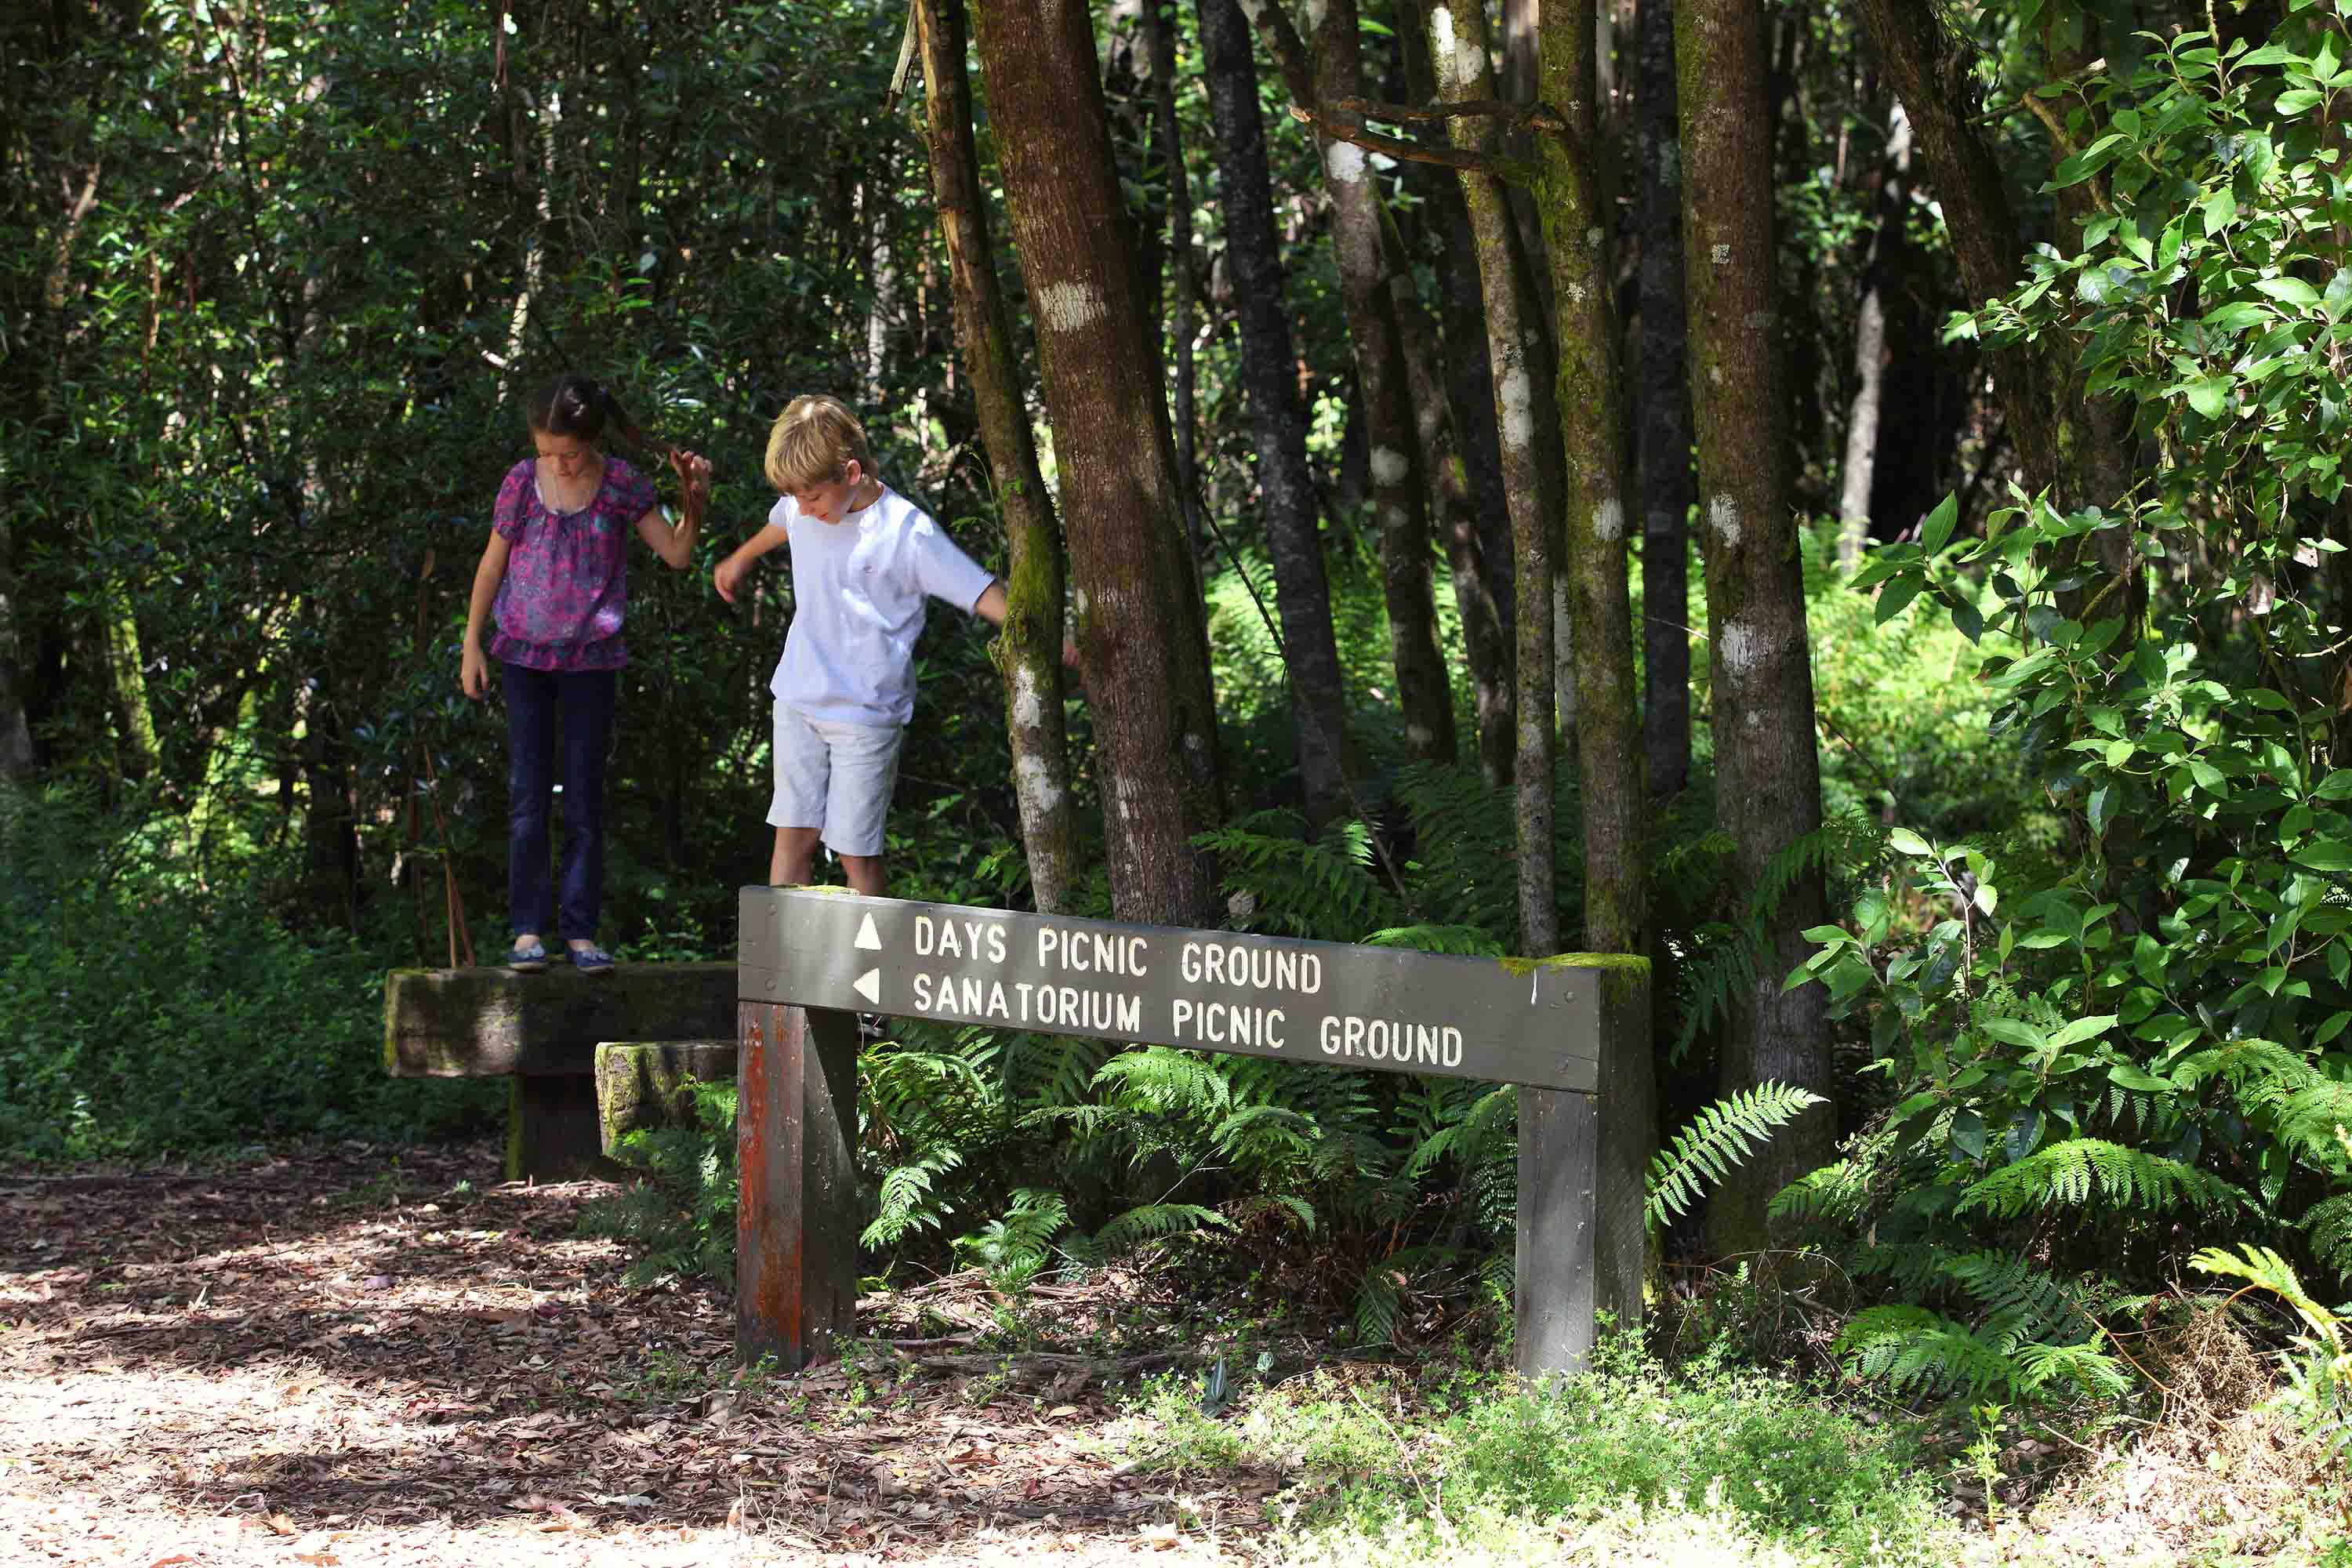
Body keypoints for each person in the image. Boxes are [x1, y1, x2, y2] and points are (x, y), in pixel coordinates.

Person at [713, 393, 1065, 896]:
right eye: (796, 499)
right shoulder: (801, 507)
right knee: (793, 837)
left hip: (866, 712)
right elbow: (780, 521)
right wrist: (740, 559)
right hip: (798, 700)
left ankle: (872, 964)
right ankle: (786, 964)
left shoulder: (906, 534)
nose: (804, 511)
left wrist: (1056, 641)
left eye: (811, 498)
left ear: (852, 472)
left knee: (857, 851)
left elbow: (978, 589)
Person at [460, 375, 710, 975]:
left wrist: (694, 502)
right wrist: (472, 643)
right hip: (522, 658)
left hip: (591, 665)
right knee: (526, 798)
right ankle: (526, 933)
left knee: (582, 800)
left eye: (570, 452)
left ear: (594, 442)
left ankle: (579, 931)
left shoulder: (621, 484)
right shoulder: (522, 482)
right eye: (549, 452)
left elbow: (676, 554)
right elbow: (492, 565)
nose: (560, 463)